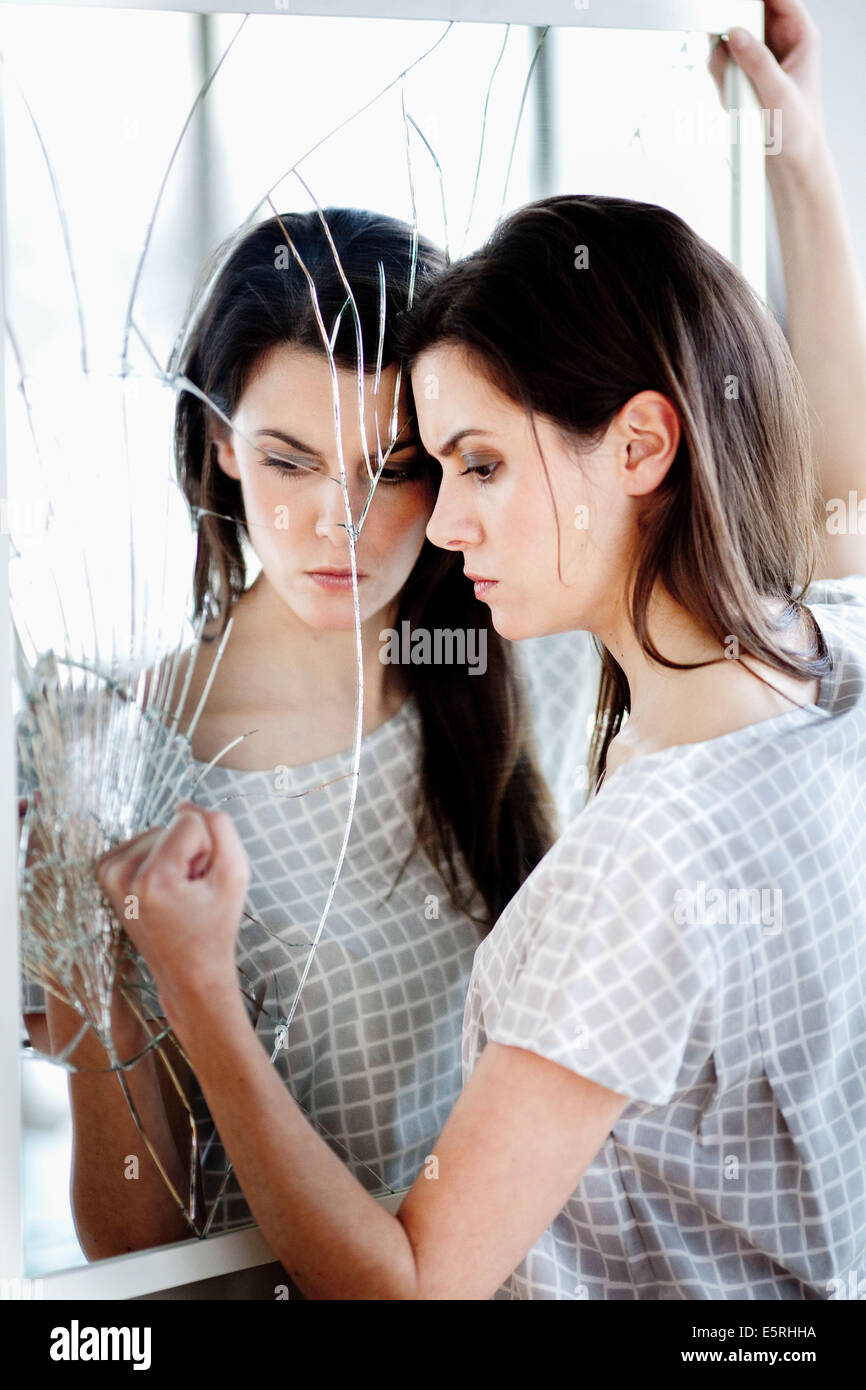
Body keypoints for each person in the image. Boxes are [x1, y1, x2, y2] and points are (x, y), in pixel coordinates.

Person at [25, 0, 866, 1273]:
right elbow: (132, 1247)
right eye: (287, 459)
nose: (342, 521)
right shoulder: (121, 766)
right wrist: (110, 987)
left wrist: (794, 162)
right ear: (216, 442)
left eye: (411, 465)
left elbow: (820, 522)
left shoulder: (540, 626)